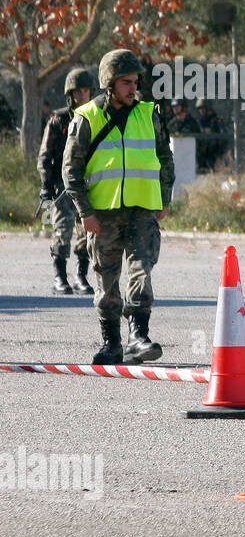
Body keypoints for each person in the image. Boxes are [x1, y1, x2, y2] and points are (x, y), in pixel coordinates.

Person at [62, 49, 174, 365]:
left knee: (141, 270)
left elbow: (165, 157)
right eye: (126, 82)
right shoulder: (86, 117)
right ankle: (111, 342)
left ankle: (138, 336)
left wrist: (164, 199)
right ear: (109, 83)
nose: (132, 88)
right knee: (106, 279)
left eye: (135, 82)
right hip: (103, 214)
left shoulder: (148, 114)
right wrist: (85, 212)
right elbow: (71, 169)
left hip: (142, 209)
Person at [37, 68, 97, 295]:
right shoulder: (58, 120)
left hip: (88, 185)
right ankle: (59, 277)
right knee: (62, 231)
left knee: (87, 233)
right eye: (78, 92)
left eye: (86, 91)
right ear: (70, 94)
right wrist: (46, 186)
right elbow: (45, 155)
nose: (83, 96)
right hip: (62, 187)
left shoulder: (96, 118)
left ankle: (81, 276)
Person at [194, 99, 227, 171]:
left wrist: (219, 156)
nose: (201, 111)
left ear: (208, 108)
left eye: (202, 108)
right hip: (201, 156)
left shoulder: (217, 121)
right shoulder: (199, 122)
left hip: (214, 155)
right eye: (199, 109)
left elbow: (223, 139)